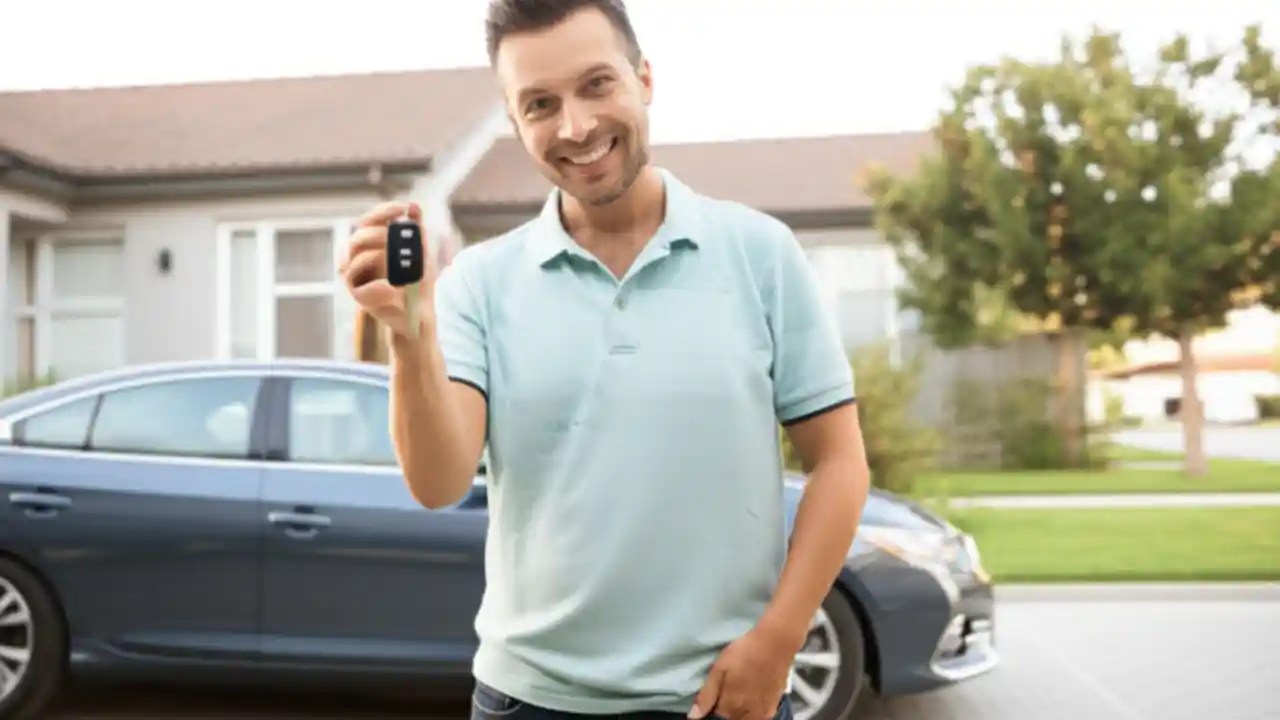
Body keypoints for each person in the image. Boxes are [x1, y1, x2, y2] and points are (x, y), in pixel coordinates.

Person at [338, 1, 870, 718]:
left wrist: (779, 639)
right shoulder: (477, 284)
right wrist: (410, 335)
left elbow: (840, 461)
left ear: (644, 78)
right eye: (540, 104)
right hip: (530, 699)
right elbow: (438, 484)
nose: (576, 127)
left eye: (596, 84)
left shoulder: (760, 254)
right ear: (515, 120)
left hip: (716, 699)